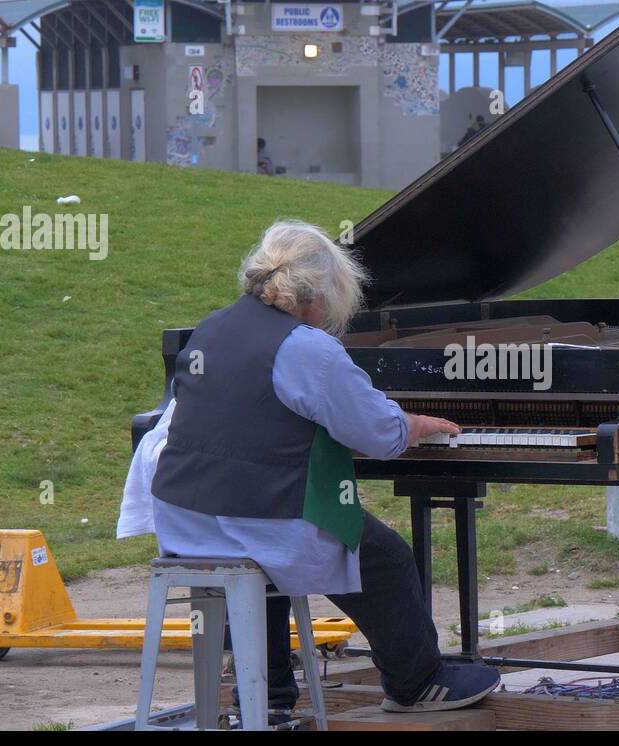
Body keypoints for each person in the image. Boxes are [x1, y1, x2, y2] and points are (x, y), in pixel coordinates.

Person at [118, 220, 500, 718]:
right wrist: (418, 423)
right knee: (386, 558)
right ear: (318, 293)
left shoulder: (212, 327)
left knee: (261, 558)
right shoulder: (306, 348)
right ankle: (417, 683)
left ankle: (270, 698)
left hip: (185, 518)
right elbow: (377, 435)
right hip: (250, 516)